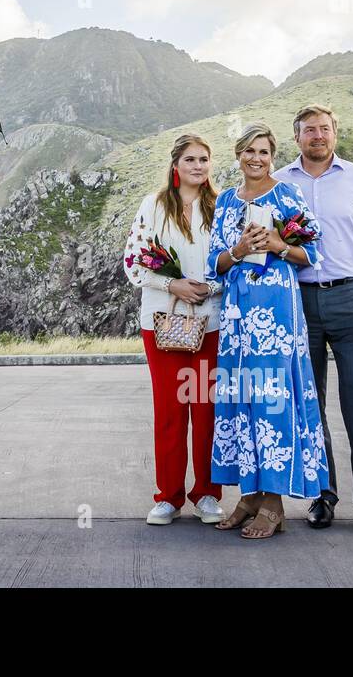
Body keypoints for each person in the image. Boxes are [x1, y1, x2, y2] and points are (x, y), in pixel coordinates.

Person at [205, 122, 329, 539]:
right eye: (249, 151)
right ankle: (248, 494)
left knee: (272, 397)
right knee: (241, 397)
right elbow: (213, 264)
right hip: (237, 315)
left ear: (272, 156)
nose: (256, 158)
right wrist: (237, 252)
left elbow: (312, 252)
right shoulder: (224, 200)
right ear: (238, 155)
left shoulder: (288, 195)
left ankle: (273, 502)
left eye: (264, 152)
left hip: (276, 314)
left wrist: (278, 245)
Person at [279, 105, 353, 532]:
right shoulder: (283, 182)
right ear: (298, 138)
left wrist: (344, 272)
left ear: (334, 135)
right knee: (312, 402)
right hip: (299, 302)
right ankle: (322, 496)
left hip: (348, 296)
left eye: (324, 129)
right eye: (310, 130)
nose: (318, 136)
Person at [123, 133, 225, 525]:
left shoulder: (221, 208)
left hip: (210, 321)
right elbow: (134, 262)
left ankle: (207, 495)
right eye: (190, 160)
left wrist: (208, 287)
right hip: (162, 322)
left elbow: (231, 259)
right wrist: (172, 284)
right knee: (169, 410)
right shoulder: (153, 206)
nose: (198, 166)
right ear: (175, 165)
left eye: (204, 159)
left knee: (206, 410)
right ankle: (168, 496)